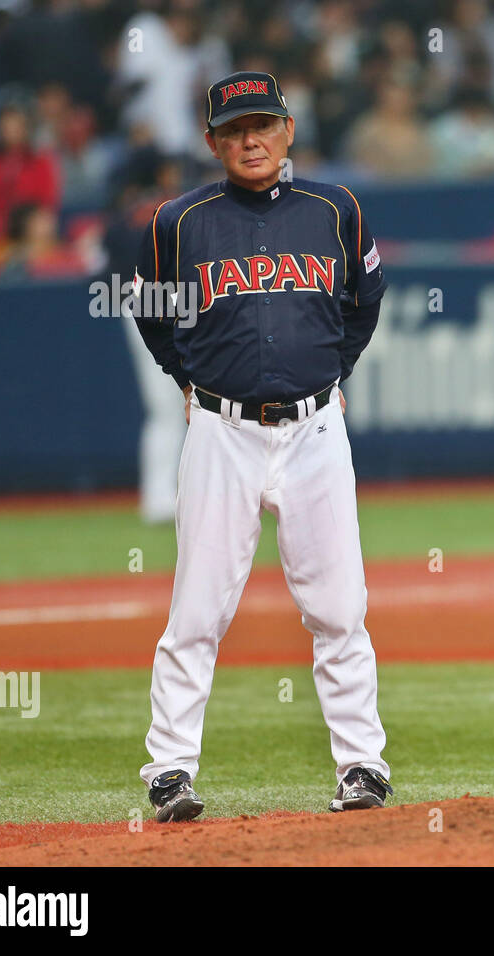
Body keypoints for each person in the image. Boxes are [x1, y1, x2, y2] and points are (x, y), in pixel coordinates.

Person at [129, 71, 391, 822]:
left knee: (340, 607)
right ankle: (169, 772)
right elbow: (148, 312)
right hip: (222, 431)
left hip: (315, 429)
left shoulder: (335, 209)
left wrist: (335, 369)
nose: (251, 140)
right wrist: (185, 375)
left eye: (264, 125)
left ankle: (362, 766)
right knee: (198, 611)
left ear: (289, 131)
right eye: (235, 129)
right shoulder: (177, 222)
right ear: (212, 142)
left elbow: (365, 301)